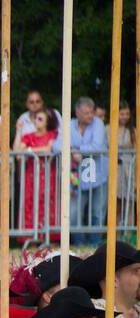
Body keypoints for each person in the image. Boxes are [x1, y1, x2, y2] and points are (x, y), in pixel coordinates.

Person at [69, 96, 109, 245]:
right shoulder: (69, 124)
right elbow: (57, 145)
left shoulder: (98, 123)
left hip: (98, 175)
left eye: (92, 112)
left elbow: (97, 146)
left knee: (97, 212)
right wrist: (73, 152)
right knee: (73, 214)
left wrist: (76, 150)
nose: (90, 115)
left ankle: (94, 246)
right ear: (77, 112)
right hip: (76, 177)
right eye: (86, 113)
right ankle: (79, 245)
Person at [16, 108, 59, 238]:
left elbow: (48, 150)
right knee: (30, 204)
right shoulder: (28, 136)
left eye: (40, 119)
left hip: (47, 176)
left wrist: (29, 150)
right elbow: (18, 153)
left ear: (47, 122)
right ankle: (30, 236)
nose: (36, 121)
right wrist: (19, 130)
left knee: (47, 204)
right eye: (36, 118)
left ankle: (48, 237)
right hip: (31, 176)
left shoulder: (53, 135)